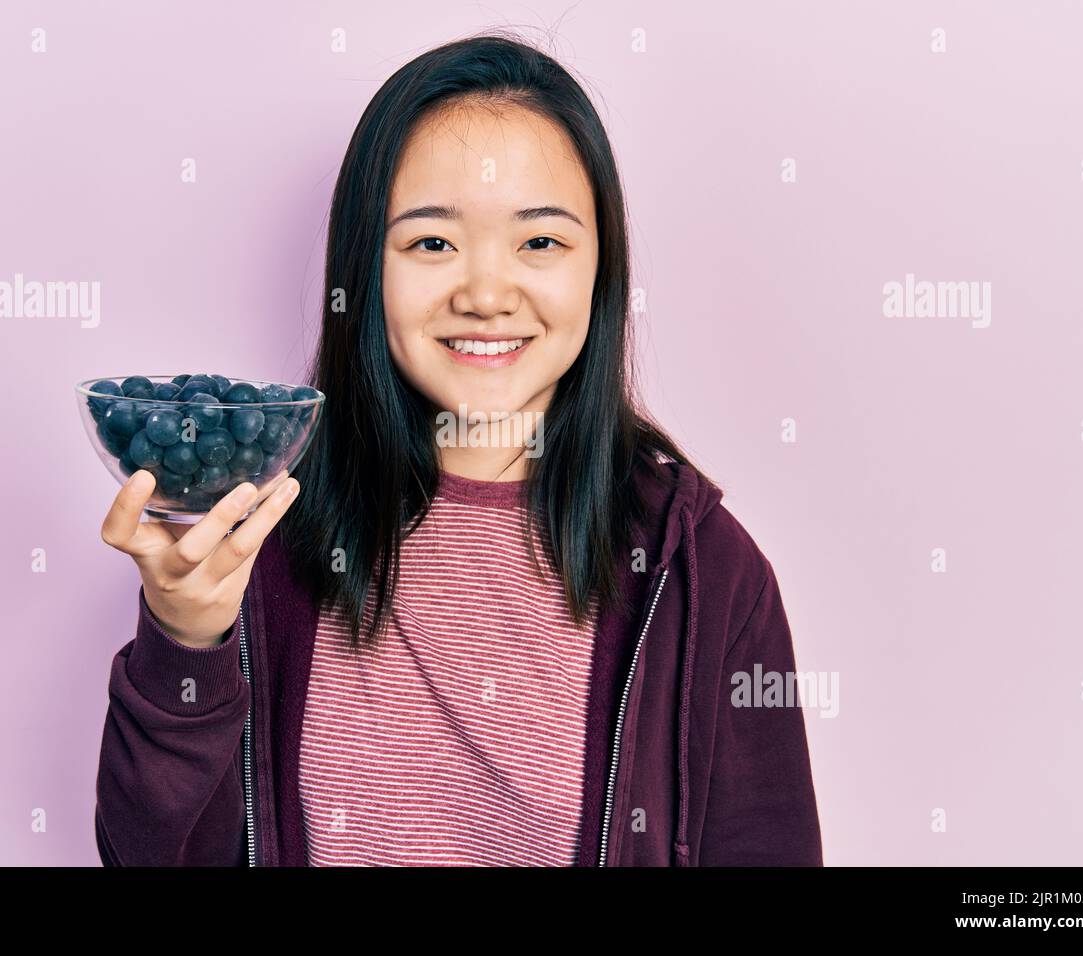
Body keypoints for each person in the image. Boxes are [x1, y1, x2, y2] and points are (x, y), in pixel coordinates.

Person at [94, 31, 822, 867]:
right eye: (432, 242)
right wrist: (185, 638)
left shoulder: (700, 571)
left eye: (540, 241)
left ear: (602, 269)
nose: (484, 292)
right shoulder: (260, 529)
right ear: (366, 269)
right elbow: (148, 857)